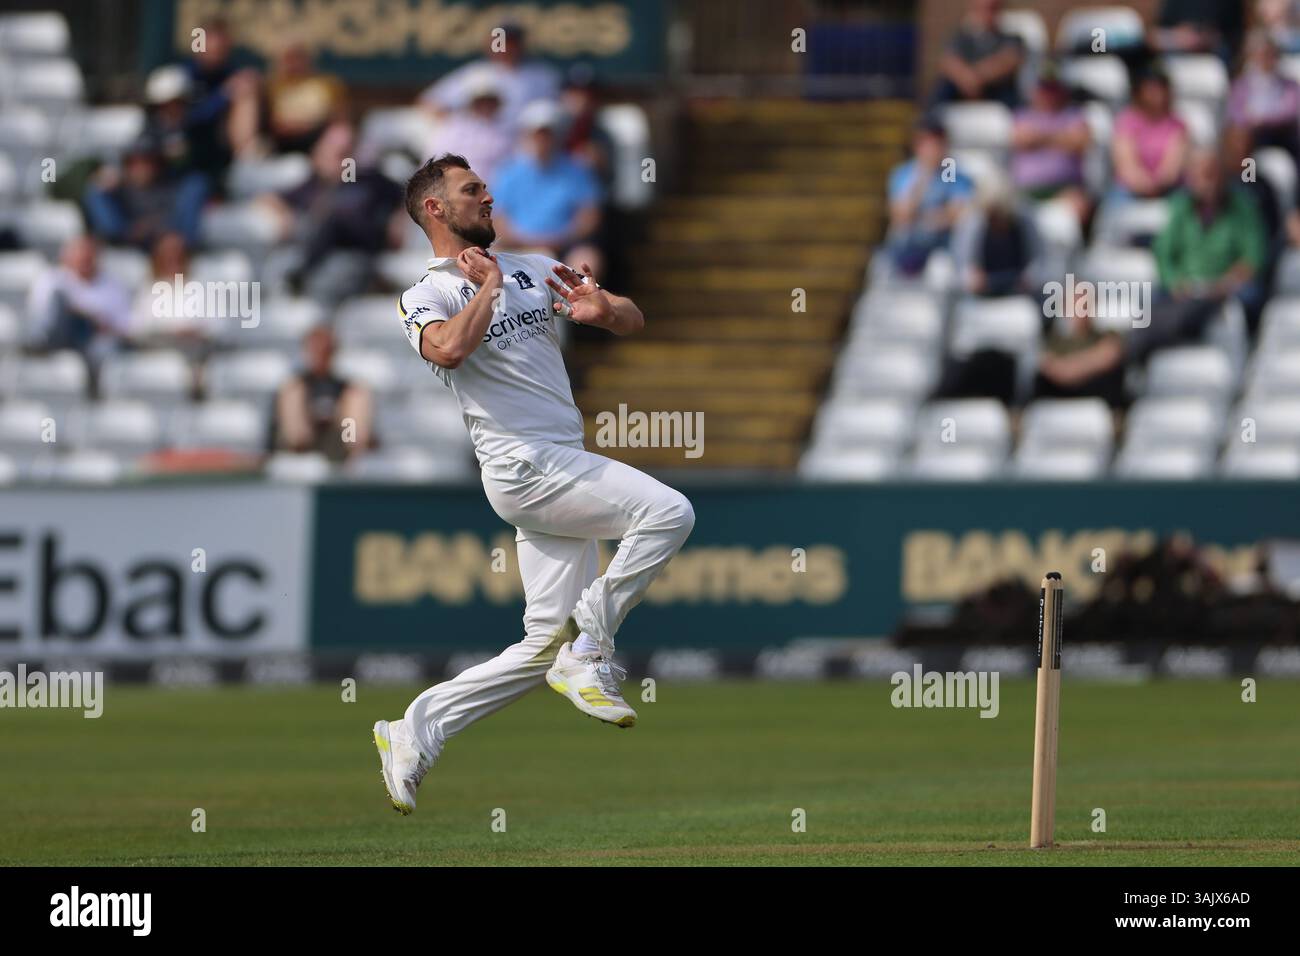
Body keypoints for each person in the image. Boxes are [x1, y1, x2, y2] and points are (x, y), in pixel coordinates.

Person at [373, 154, 694, 815]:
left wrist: (605, 309)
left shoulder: (531, 263)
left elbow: (633, 319)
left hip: (556, 459)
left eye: (484, 186)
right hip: (521, 462)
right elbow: (447, 351)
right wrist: (487, 289)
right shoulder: (426, 292)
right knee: (669, 513)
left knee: (537, 646)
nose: (487, 196)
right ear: (435, 209)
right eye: (471, 190)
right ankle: (592, 647)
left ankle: (414, 730)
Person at [258, 121, 405, 302]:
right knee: (280, 265)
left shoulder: (371, 181)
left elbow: (408, 196)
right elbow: (268, 198)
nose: (342, 159)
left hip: (354, 256)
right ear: (319, 152)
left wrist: (399, 218)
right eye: (335, 152)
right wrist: (283, 214)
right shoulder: (311, 185)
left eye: (346, 152)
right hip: (311, 255)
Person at [1144, 148, 1267, 355]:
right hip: (1187, 286)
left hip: (1228, 287)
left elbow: (1254, 256)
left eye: (1211, 173)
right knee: (1150, 303)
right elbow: (1163, 254)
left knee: (1252, 296)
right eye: (1200, 174)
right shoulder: (1179, 207)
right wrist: (1176, 283)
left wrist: (1225, 284)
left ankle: (1248, 355)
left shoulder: (1243, 207)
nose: (1206, 181)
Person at [491, 100, 605, 277]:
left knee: (587, 259)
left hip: (564, 248)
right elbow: (498, 219)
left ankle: (574, 304)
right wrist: (527, 241)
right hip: (517, 248)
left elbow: (589, 216)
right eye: (538, 134)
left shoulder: (577, 170)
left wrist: (561, 238)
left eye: (548, 134)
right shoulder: (508, 171)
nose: (542, 140)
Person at [419, 22, 560, 129]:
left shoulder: (542, 75)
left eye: (511, 42)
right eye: (501, 40)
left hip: (525, 149)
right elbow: (430, 102)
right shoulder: (477, 73)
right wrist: (460, 129)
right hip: (483, 146)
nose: (507, 47)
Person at [83, 133, 209, 249]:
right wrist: (100, 186)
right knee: (95, 191)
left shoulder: (173, 185)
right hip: (131, 250)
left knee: (196, 184)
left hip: (170, 251)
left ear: (159, 164)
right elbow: (112, 227)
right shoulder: (119, 188)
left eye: (147, 161)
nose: (141, 168)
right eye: (134, 162)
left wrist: (151, 227)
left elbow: (180, 221)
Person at [885, 118, 974, 276]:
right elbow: (902, 216)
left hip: (943, 243)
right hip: (911, 244)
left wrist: (925, 219)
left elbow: (955, 214)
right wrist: (924, 175)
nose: (935, 149)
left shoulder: (949, 169)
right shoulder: (904, 174)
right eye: (929, 144)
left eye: (939, 143)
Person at [269, 325, 373, 461]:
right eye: (315, 350)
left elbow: (356, 436)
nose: (320, 355)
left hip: (341, 447)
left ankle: (348, 464)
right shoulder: (295, 387)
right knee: (292, 394)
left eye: (326, 350)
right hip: (300, 450)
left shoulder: (347, 389)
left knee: (356, 397)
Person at [26, 235, 131, 365]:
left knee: (105, 348)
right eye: (80, 254)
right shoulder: (51, 279)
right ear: (66, 256)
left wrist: (97, 323)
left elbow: (124, 327)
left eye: (89, 255)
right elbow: (42, 316)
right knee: (59, 301)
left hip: (93, 343)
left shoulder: (113, 285)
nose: (85, 259)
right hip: (58, 337)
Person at [1011, 70, 1092, 223]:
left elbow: (1079, 141)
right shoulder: (1022, 114)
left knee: (1080, 206)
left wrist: (1039, 139)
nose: (1049, 95)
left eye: (1053, 90)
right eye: (1045, 90)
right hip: (1027, 190)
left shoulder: (1074, 114)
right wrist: (1061, 138)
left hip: (1064, 189)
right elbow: (1022, 139)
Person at [1034, 283, 1127, 407]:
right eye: (1071, 302)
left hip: (1098, 407)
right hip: (1055, 406)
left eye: (1082, 301)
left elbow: (1109, 354)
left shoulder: (1106, 336)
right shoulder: (1051, 338)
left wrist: (1066, 367)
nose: (1076, 307)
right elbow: (1047, 365)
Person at [951, 173, 1042, 297]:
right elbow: (963, 267)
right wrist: (972, 278)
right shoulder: (972, 224)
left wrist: (1029, 278)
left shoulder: (1025, 221)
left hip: (1021, 293)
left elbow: (1039, 260)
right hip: (981, 296)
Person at [426, 67, 514, 186]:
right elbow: (434, 166)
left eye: (490, 100)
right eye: (480, 100)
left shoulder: (510, 130)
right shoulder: (452, 128)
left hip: (499, 196)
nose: (485, 105)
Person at [1110, 70, 1190, 201]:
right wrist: (1144, 185)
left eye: (1160, 88)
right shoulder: (1125, 121)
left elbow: (1172, 168)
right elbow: (1126, 165)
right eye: (1151, 89)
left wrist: (1157, 185)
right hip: (1130, 189)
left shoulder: (1178, 125)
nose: (1156, 94)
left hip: (1170, 189)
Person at [932, 0, 1024, 109]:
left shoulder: (1012, 38)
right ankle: (930, 122)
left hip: (997, 93)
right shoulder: (960, 37)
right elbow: (948, 61)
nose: (987, 13)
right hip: (961, 92)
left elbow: (1009, 61)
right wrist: (967, 79)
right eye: (982, 8)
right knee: (944, 86)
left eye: (992, 8)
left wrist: (975, 79)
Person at [1227, 31, 1300, 162]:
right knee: (1241, 139)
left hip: (1282, 134)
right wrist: (1252, 121)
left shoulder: (1289, 84)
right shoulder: (1242, 85)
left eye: (1270, 54)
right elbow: (1237, 114)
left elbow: (1291, 112)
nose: (1265, 59)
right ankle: (1248, 178)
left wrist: (1263, 120)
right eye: (1261, 54)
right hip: (1254, 135)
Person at [264, 39, 347, 154]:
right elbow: (272, 124)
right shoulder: (271, 86)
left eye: (298, 57)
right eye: (288, 58)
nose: (294, 63)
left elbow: (340, 119)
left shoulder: (327, 84)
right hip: (282, 144)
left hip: (321, 140)